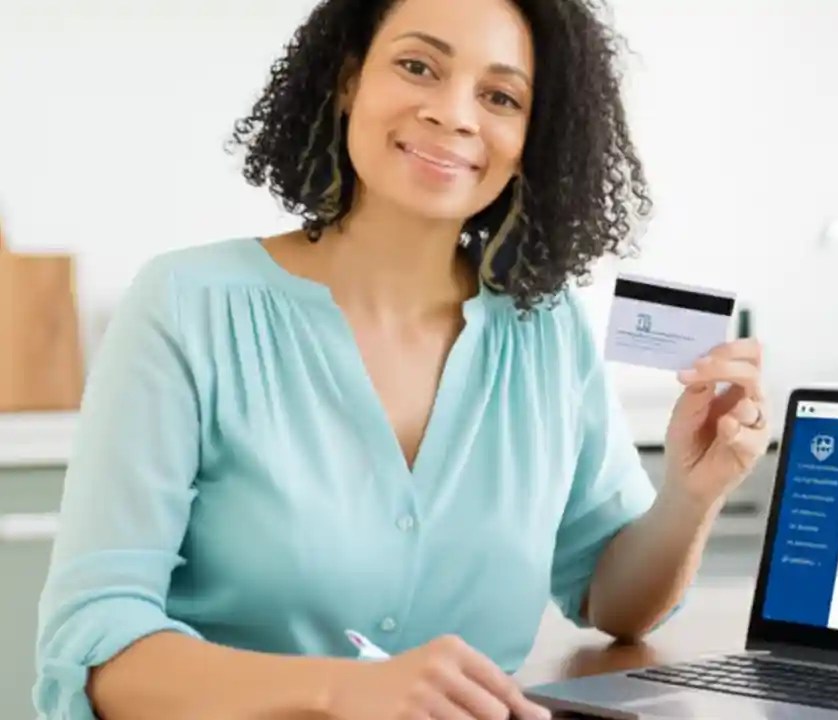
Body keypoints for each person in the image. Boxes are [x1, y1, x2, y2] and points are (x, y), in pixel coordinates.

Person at [31, 0, 769, 718]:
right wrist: (342, 692)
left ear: (533, 138)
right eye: (419, 66)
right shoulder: (189, 304)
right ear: (350, 80)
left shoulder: (546, 331)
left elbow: (613, 602)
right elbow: (96, 643)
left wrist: (689, 492)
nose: (453, 113)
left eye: (501, 96)